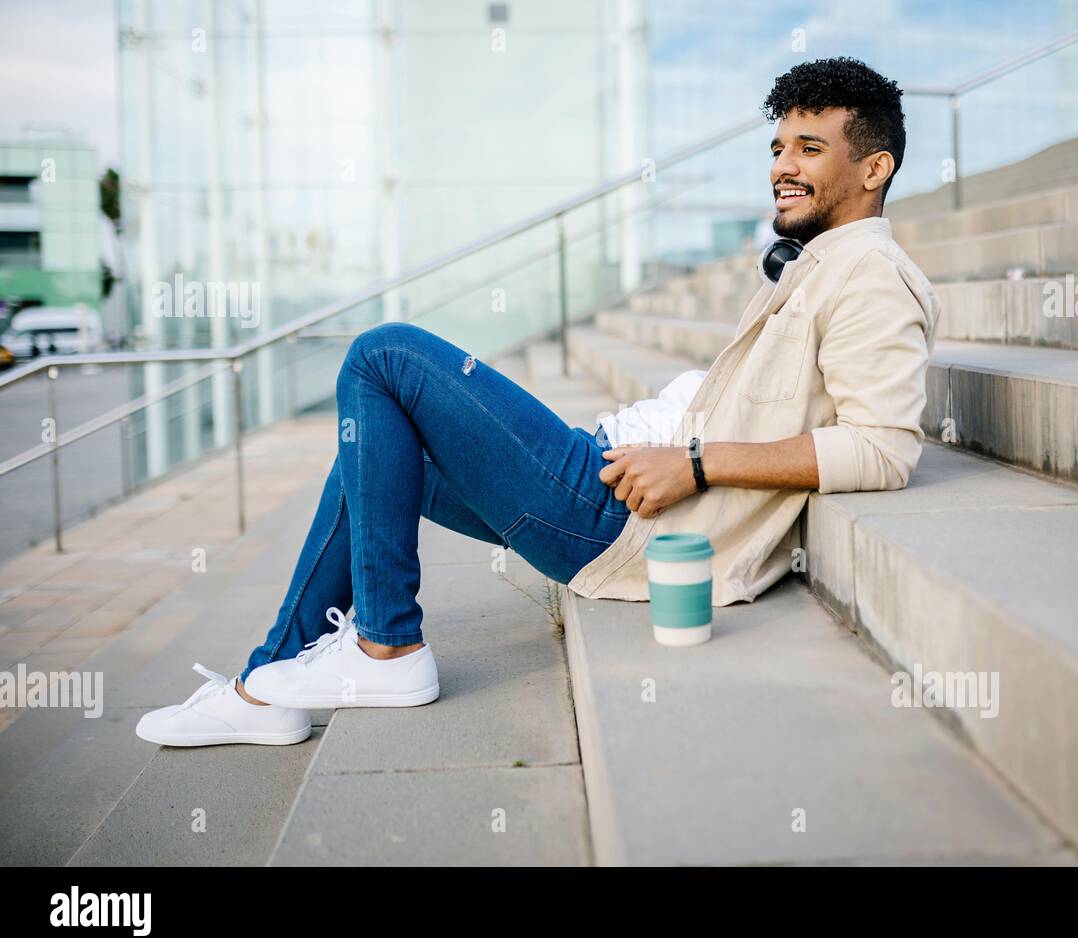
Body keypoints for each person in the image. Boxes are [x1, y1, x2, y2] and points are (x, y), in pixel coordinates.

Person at [135, 55, 940, 747]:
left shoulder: (869, 273)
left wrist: (692, 464)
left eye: (810, 146)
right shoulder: (818, 261)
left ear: (874, 168)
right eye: (776, 147)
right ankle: (263, 687)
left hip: (620, 510)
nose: (781, 165)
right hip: (611, 476)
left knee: (381, 358)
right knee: (372, 450)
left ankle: (386, 648)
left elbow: (883, 449)